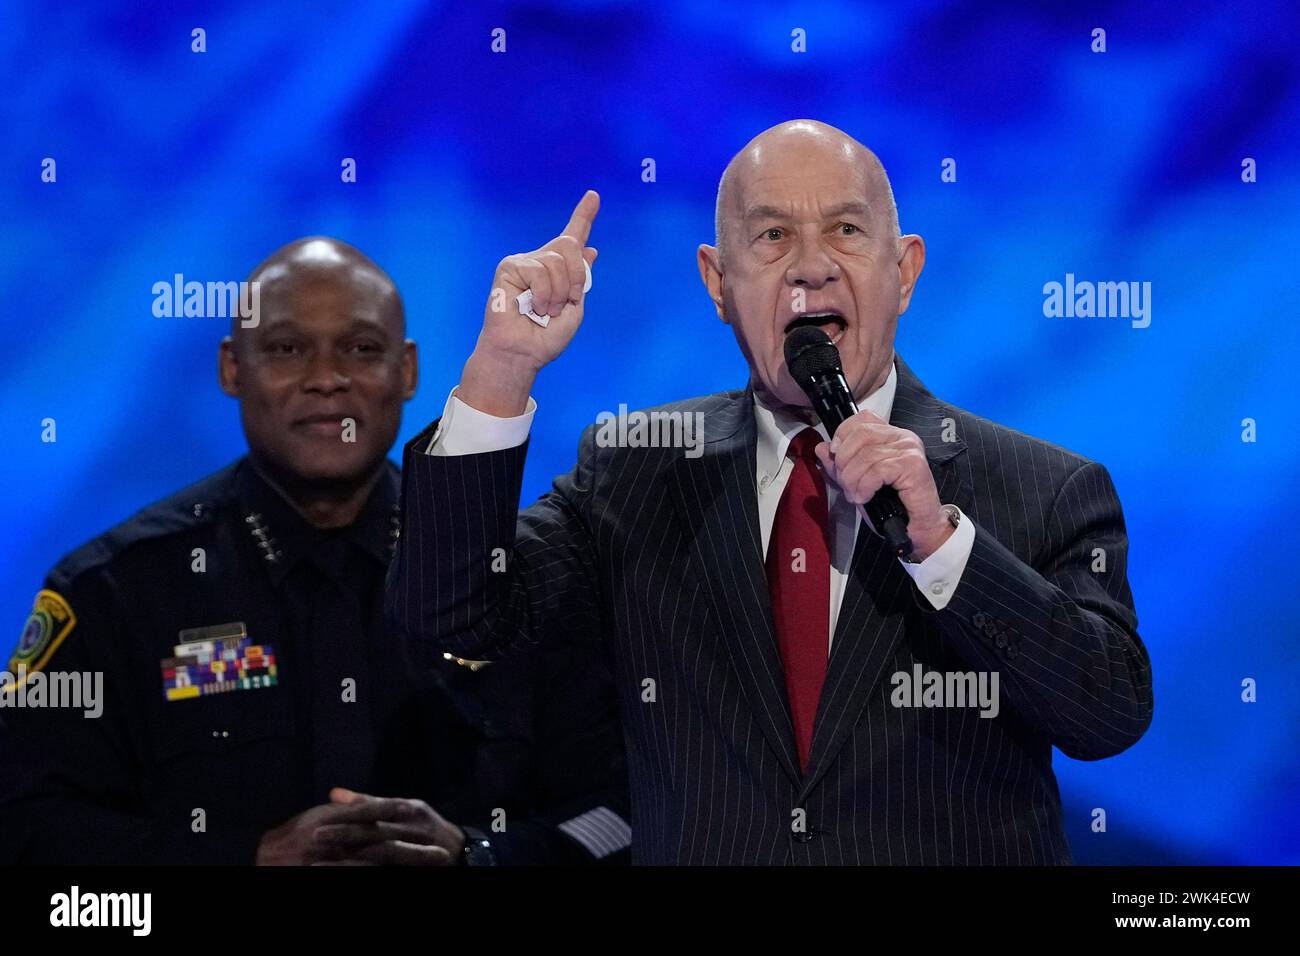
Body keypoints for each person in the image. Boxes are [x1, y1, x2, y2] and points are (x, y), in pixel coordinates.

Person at [386, 120, 1154, 865]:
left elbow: (1105, 712)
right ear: (718, 284)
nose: (811, 266)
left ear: (906, 270)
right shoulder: (637, 470)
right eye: (772, 235)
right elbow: (447, 613)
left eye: (847, 231)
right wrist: (501, 371)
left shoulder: (1045, 487)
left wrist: (942, 546)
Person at [0, 237, 629, 865]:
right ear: (231, 367)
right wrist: (246, 859)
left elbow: (625, 815)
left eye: (361, 349)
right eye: (285, 349)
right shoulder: (116, 592)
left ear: (406, 370)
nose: (327, 379)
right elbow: (27, 827)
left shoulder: (512, 576)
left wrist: (476, 855)